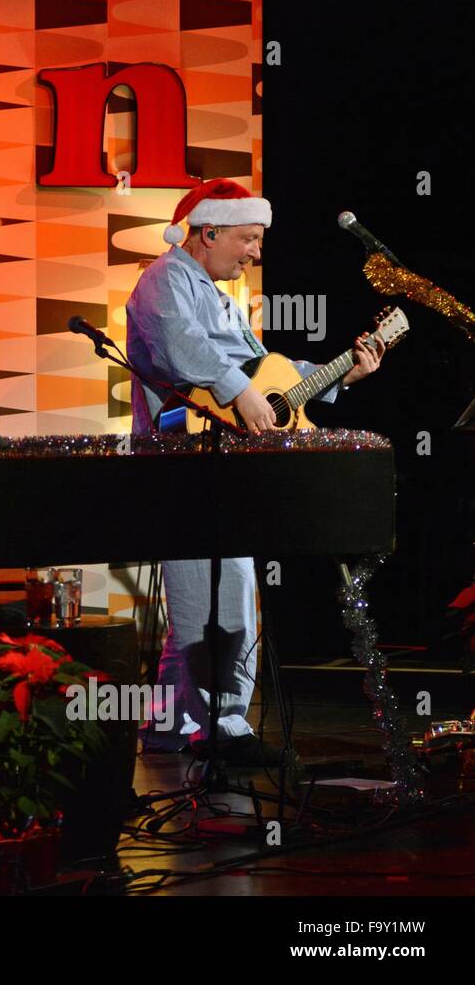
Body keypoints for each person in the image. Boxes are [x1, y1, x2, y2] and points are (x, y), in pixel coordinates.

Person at [125, 178, 384, 766]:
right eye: (248, 238)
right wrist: (237, 391)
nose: (255, 252)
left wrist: (341, 373)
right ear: (208, 231)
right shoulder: (165, 279)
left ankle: (171, 727)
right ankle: (225, 727)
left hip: (213, 468)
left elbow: (267, 369)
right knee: (221, 597)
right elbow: (182, 348)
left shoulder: (214, 293)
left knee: (205, 598)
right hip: (184, 466)